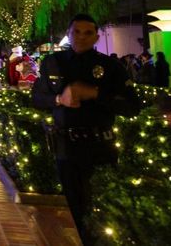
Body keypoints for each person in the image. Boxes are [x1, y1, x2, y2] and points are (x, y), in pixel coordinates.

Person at [32, 14, 141, 245]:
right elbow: (38, 97)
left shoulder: (111, 66)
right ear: (69, 34)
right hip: (66, 147)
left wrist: (95, 94)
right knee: (76, 207)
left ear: (97, 36)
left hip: (100, 147)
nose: (81, 37)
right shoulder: (53, 62)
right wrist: (60, 99)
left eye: (87, 32)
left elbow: (132, 106)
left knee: (102, 208)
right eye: (76, 32)